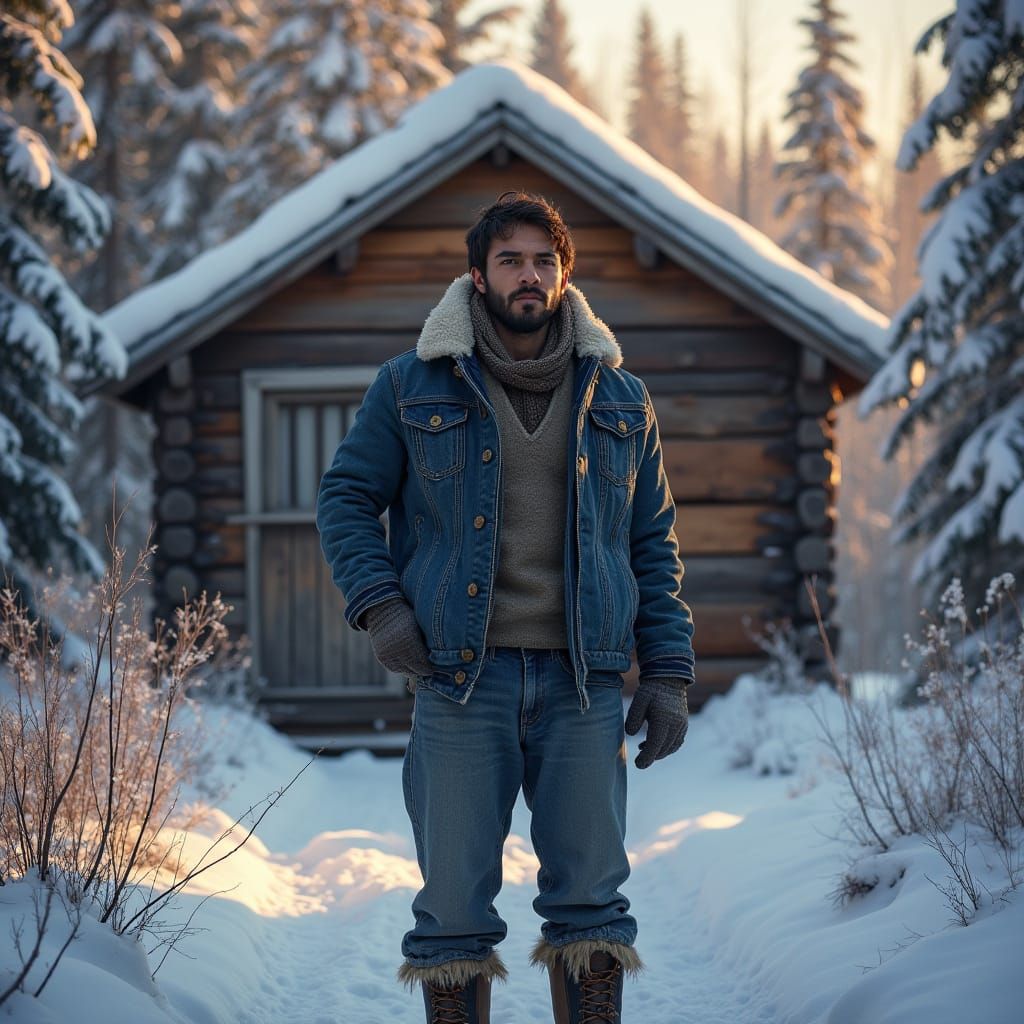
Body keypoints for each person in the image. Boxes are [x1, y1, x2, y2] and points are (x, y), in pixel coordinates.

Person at [316, 191, 695, 1024]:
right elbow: (345, 498)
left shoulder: (620, 398)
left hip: (583, 682)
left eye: (543, 261)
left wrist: (668, 669)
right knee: (452, 902)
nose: (529, 275)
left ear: (564, 276)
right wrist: (381, 605)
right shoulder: (411, 384)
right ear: (478, 276)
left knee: (592, 899)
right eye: (511, 260)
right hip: (461, 677)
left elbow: (652, 541)